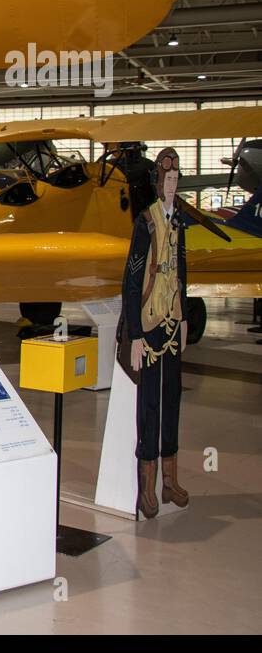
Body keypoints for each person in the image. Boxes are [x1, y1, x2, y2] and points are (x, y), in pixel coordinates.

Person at [121, 147, 190, 518]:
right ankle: (146, 487)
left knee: (173, 399)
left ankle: (169, 480)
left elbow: (182, 270)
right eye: (168, 178)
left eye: (177, 178)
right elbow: (131, 282)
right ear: (157, 183)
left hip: (171, 321)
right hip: (148, 327)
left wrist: (184, 320)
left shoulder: (178, 219)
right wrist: (133, 334)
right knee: (148, 405)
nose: (173, 184)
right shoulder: (146, 223)